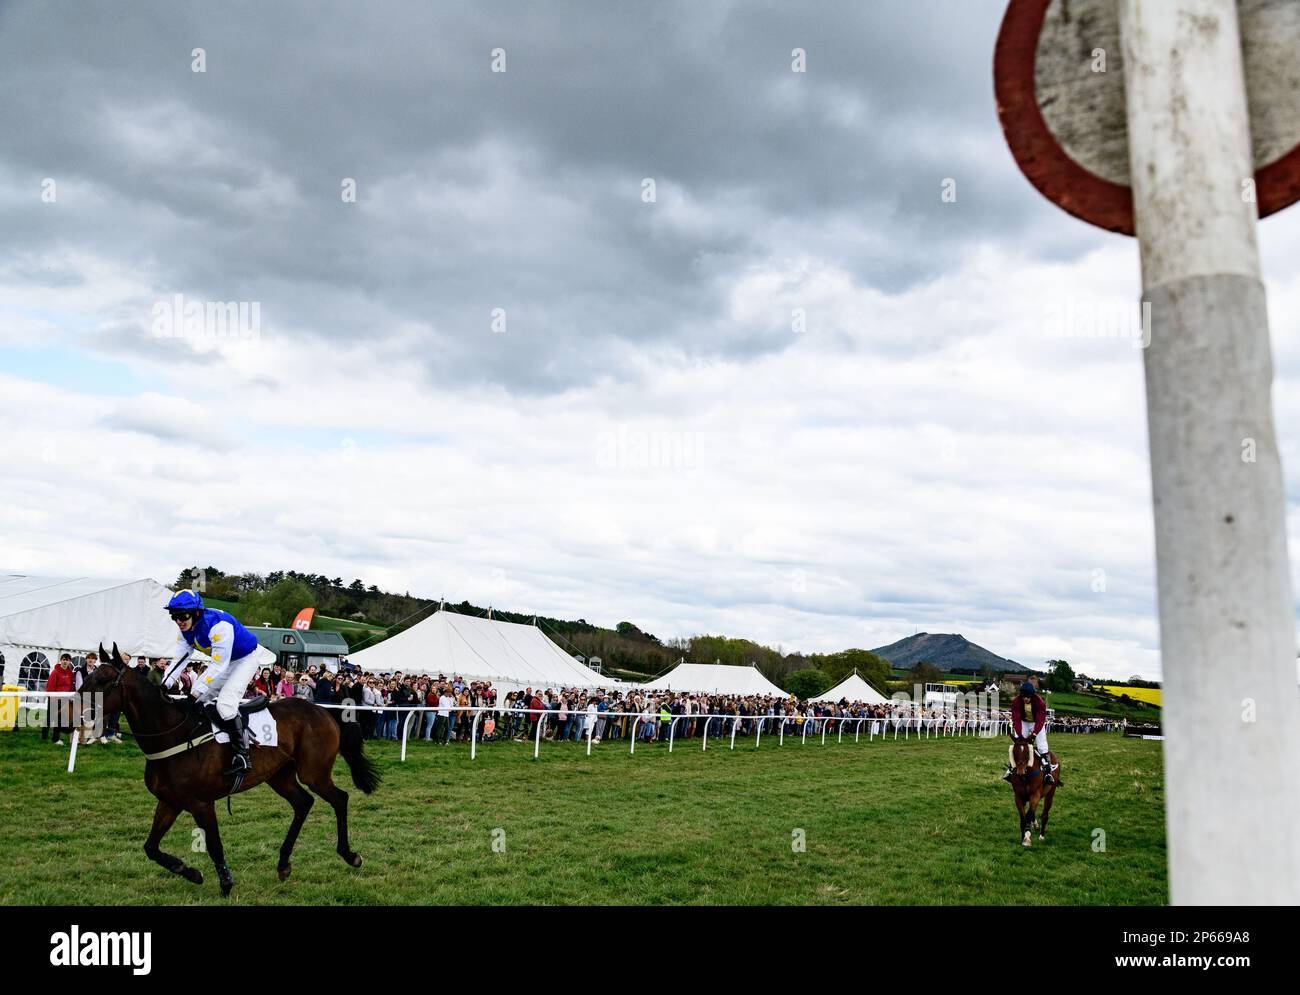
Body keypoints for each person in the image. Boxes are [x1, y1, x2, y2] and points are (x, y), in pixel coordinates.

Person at [160, 589, 275, 777]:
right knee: (198, 702)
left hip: (246, 660)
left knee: (225, 705)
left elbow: (218, 665)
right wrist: (164, 684)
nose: (178, 621)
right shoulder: (185, 631)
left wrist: (194, 693)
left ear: (197, 612)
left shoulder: (218, 626)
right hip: (226, 662)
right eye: (174, 616)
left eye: (182, 615)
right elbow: (179, 659)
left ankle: (242, 756)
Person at [1007, 680, 1059, 784]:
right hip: (1023, 722)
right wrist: (1020, 735)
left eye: (1028, 697)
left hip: (1036, 722)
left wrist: (1034, 733)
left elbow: (1040, 719)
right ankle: (1011, 769)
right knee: (1018, 744)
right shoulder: (1016, 701)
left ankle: (1048, 772)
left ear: (1032, 695)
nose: (1025, 699)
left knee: (1042, 746)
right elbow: (1016, 719)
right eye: (1024, 696)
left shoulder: (1039, 702)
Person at [45, 653, 76, 745]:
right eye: (63, 659)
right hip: (55, 699)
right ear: (61, 661)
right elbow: (50, 686)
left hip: (65, 700)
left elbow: (71, 686)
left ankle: (55, 738)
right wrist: (52, 698)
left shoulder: (70, 673)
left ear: (70, 662)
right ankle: (45, 735)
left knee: (60, 719)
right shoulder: (55, 672)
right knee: (49, 718)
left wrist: (70, 697)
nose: (65, 661)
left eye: (67, 660)